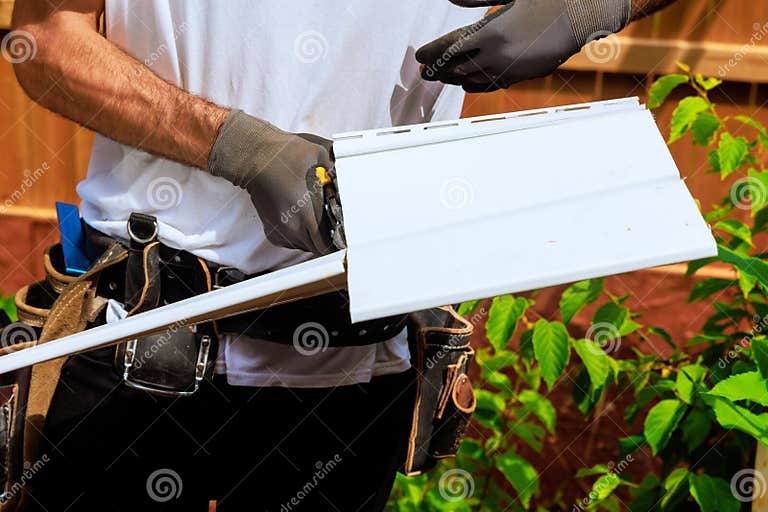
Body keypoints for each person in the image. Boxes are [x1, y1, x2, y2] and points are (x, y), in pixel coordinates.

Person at [11, 0, 679, 510]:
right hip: (136, 338)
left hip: (358, 359)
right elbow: (45, 39)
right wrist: (237, 147)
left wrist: (588, 8)